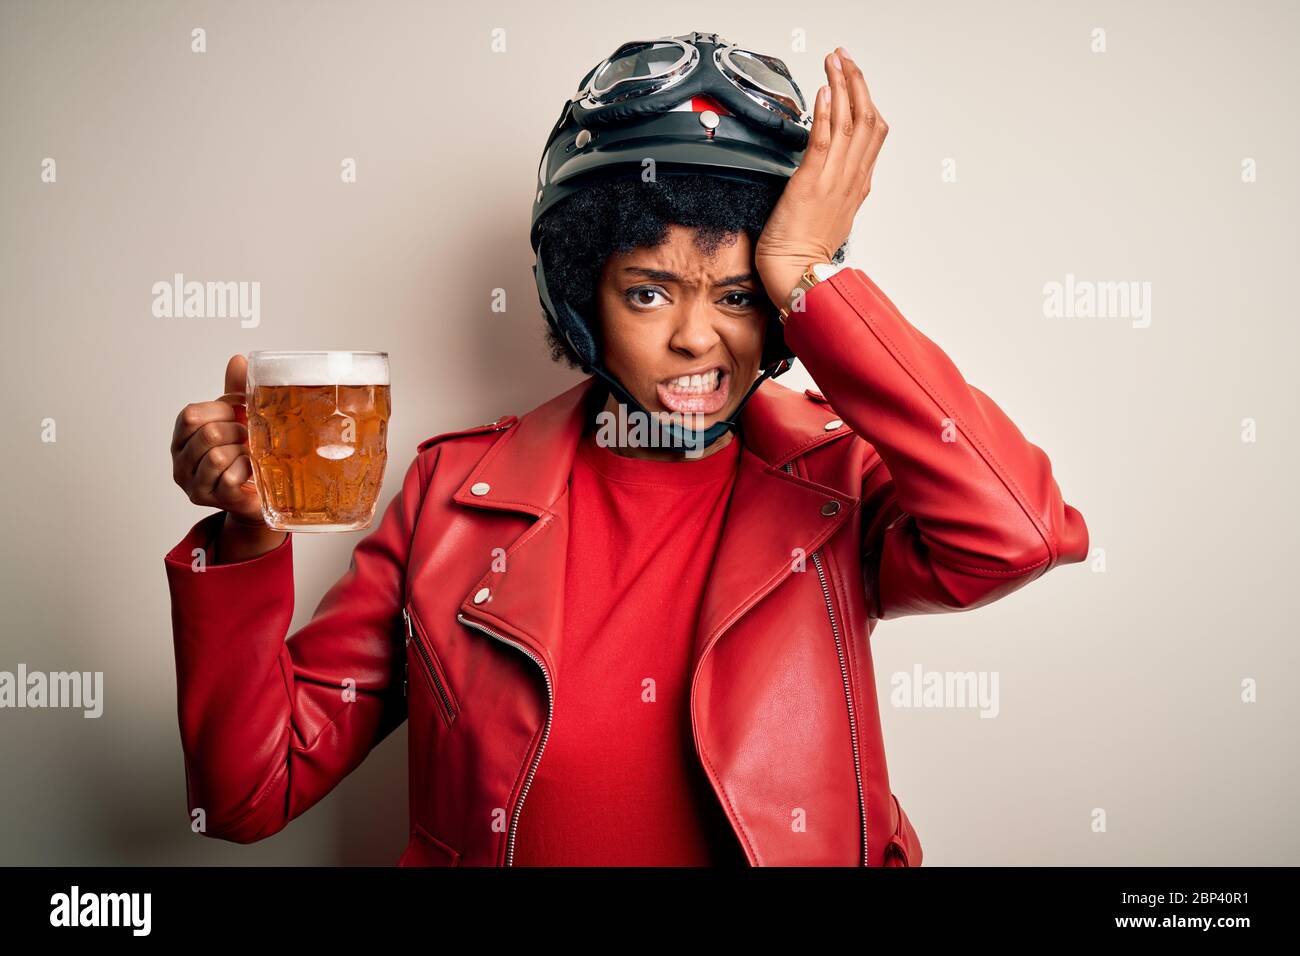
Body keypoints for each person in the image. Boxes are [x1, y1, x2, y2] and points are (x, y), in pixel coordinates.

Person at [165, 33, 1089, 866]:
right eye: (649, 292)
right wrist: (246, 539)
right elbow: (249, 794)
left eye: (738, 296)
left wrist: (817, 277)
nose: (698, 339)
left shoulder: (838, 481)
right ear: (580, 296)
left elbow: (1019, 533)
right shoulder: (449, 495)